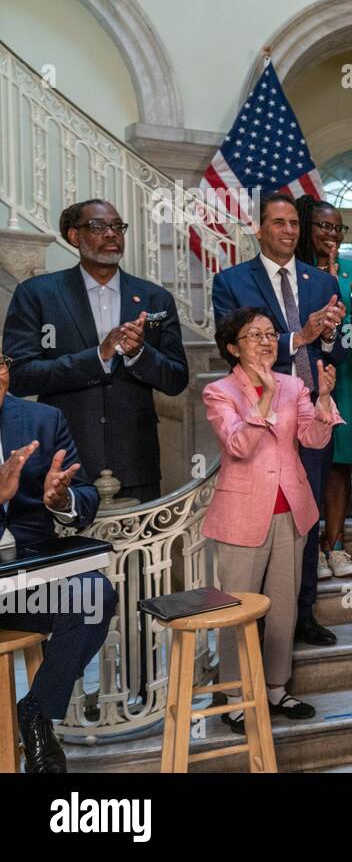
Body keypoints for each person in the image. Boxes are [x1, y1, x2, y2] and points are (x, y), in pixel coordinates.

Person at [211, 192, 347, 648]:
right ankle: (257, 627)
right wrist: (297, 337)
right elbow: (231, 343)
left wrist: (328, 336)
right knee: (260, 529)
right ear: (259, 228)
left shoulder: (317, 279)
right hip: (258, 420)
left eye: (293, 223)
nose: (288, 230)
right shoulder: (231, 281)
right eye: (278, 222)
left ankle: (300, 613)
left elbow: (335, 350)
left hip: (308, 416)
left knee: (303, 524)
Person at [202, 307, 342, 734]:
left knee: (283, 607)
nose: (265, 341)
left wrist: (320, 403)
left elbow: (312, 439)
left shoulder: (294, 384)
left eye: (269, 333)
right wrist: (262, 396)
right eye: (253, 335)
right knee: (237, 610)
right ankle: (232, 694)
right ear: (232, 347)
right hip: (242, 514)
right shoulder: (219, 391)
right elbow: (240, 445)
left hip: (292, 510)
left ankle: (276, 688)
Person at [3, 199, 189, 502]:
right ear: (74, 237)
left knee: (139, 550)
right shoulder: (37, 294)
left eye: (117, 226)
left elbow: (177, 379)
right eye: (98, 226)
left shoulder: (155, 297)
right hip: (65, 459)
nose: (111, 234)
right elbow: (20, 376)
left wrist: (139, 354)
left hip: (135, 460)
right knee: (76, 549)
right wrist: (97, 357)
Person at [0, 347, 110, 772]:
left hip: (22, 588)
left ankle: (37, 712)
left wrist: (62, 499)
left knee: (93, 594)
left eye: (1, 364)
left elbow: (85, 494)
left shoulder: (42, 421)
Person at [293, 195, 352, 579]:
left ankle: (337, 545)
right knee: (306, 462)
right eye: (324, 226)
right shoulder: (295, 271)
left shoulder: (351, 268)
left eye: (338, 227)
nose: (332, 234)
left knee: (340, 462)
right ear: (307, 228)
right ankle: (308, 546)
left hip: (348, 374)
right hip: (305, 374)